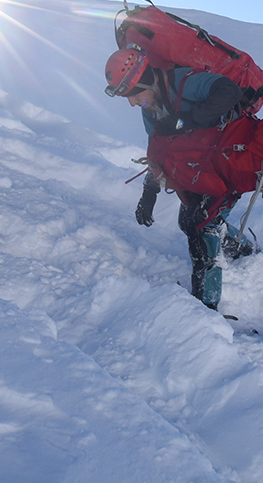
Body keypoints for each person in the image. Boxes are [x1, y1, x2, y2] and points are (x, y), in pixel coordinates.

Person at [105, 47, 251, 310]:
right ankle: (240, 249)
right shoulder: (151, 107)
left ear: (145, 80)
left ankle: (206, 309)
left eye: (132, 94)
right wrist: (149, 191)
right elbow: (157, 150)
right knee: (189, 220)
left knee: (202, 221)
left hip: (233, 157)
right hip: (202, 165)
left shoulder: (184, 81)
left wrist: (187, 120)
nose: (131, 102)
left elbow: (229, 92)